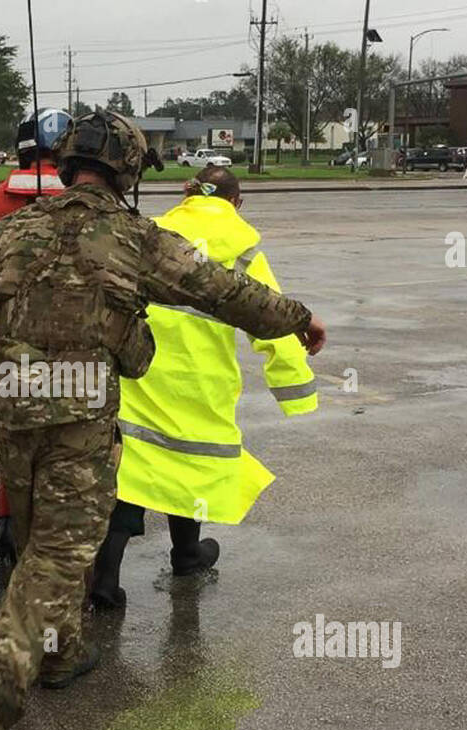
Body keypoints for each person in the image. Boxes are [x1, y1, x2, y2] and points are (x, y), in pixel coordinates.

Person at [0, 109, 326, 730]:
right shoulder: (135, 238)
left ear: (68, 163)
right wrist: (294, 319)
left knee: (39, 537)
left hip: (12, 411)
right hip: (78, 416)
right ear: (126, 170)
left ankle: (61, 649)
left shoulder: (6, 234)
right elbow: (220, 289)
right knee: (59, 552)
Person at [90, 165, 318, 608]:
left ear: (187, 192)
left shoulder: (155, 233)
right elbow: (269, 318)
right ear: (236, 202)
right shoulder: (243, 249)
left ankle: (105, 580)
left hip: (141, 372)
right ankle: (187, 554)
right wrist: (297, 390)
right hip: (200, 382)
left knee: (132, 474)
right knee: (190, 467)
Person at [0, 108, 73, 566]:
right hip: (77, 358)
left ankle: (11, 538)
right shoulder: (90, 201)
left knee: (17, 450)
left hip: (10, 357)